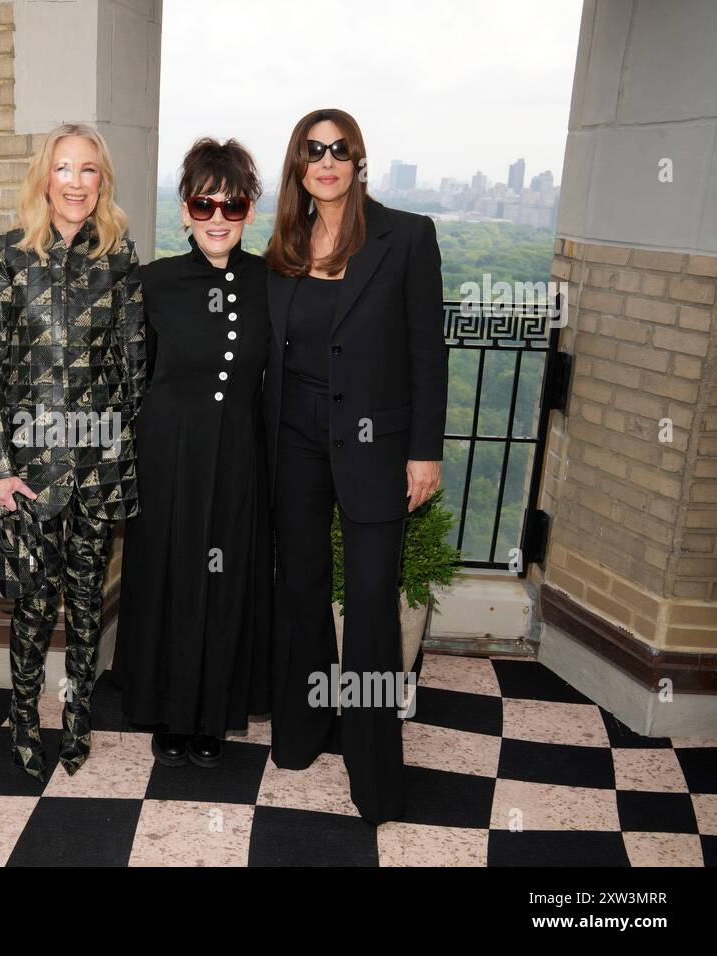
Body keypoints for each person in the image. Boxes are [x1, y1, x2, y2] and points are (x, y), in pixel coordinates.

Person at [263, 109, 446, 824]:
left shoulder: (407, 236)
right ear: (299, 164)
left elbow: (428, 354)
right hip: (293, 441)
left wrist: (423, 450)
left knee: (370, 603)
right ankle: (306, 728)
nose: (327, 161)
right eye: (314, 150)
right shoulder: (282, 244)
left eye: (340, 150)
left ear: (357, 160)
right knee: (299, 588)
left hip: (375, 443)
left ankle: (373, 769)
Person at [0, 122, 145, 781]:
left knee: (84, 604)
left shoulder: (120, 261)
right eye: (64, 168)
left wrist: (119, 459)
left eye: (89, 170)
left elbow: (135, 374)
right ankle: (22, 720)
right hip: (29, 472)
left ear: (103, 182)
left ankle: (77, 720)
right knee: (34, 605)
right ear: (45, 176)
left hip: (97, 471)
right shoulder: (7, 255)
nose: (76, 182)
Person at [115, 137, 271, 769]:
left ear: (249, 213)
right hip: (168, 453)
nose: (216, 219)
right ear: (184, 208)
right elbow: (126, 378)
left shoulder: (271, 282)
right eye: (204, 204)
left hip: (239, 453)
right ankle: (172, 712)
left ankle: (213, 715)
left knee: (227, 579)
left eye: (231, 207)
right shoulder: (152, 283)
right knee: (172, 576)